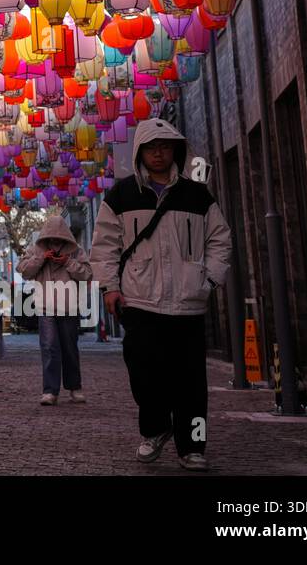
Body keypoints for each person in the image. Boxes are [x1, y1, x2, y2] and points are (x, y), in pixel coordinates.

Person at [90, 118, 233, 472]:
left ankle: (193, 446)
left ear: (175, 151)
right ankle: (155, 430)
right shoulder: (121, 195)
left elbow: (221, 239)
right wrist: (110, 286)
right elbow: (105, 247)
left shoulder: (197, 195)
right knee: (143, 372)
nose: (158, 153)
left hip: (188, 303)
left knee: (191, 382)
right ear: (140, 151)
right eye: (152, 147)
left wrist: (209, 280)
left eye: (165, 146)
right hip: (139, 301)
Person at [17, 214, 92, 406]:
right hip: (45, 307)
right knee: (49, 348)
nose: (55, 242)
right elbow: (24, 270)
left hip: (69, 307)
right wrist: (42, 258)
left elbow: (87, 274)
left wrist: (67, 262)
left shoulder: (76, 250)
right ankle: (50, 391)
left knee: (69, 349)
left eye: (59, 239)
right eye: (52, 239)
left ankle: (74, 387)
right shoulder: (36, 249)